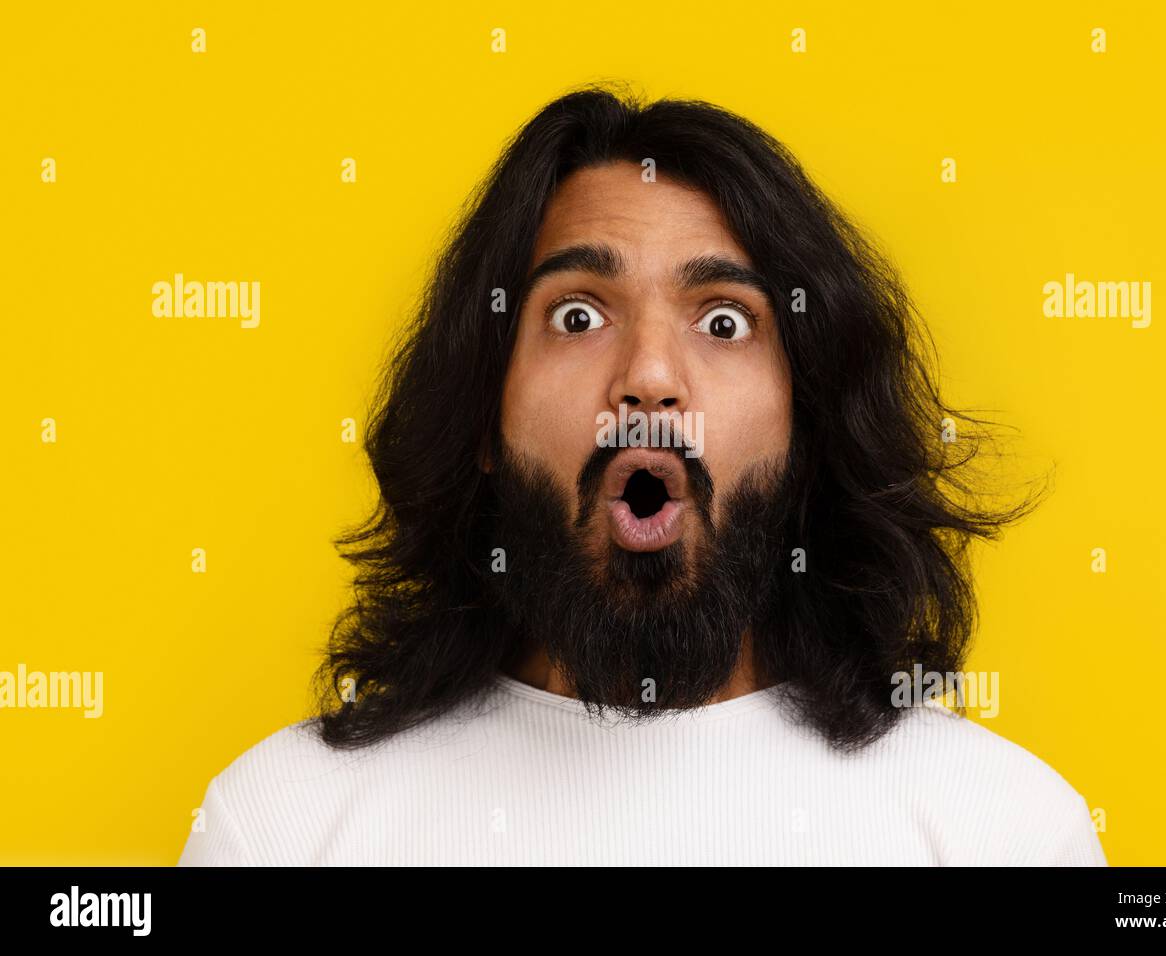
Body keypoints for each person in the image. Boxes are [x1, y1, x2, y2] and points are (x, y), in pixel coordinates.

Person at [178, 84, 1106, 866]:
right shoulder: (282, 830)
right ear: (485, 421)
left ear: (807, 424)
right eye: (579, 316)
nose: (652, 379)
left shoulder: (1005, 833)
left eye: (724, 320)